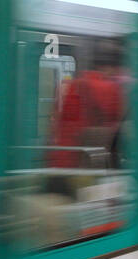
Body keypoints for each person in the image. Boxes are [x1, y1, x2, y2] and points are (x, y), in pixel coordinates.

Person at [49, 40, 126, 174]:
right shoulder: (110, 88)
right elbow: (117, 128)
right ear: (109, 67)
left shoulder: (69, 85)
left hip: (63, 157)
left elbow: (57, 123)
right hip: (88, 161)